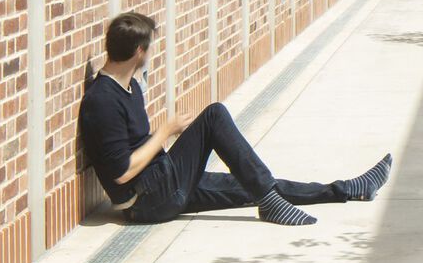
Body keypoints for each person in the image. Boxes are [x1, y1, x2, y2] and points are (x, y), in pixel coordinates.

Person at [79, 12, 391, 226]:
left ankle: (349, 189)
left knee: (252, 184)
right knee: (214, 115)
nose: (151, 57)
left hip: (161, 181)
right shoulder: (103, 99)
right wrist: (165, 132)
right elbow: (121, 173)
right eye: (149, 51)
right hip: (146, 201)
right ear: (139, 51)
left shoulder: (129, 86)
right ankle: (270, 202)